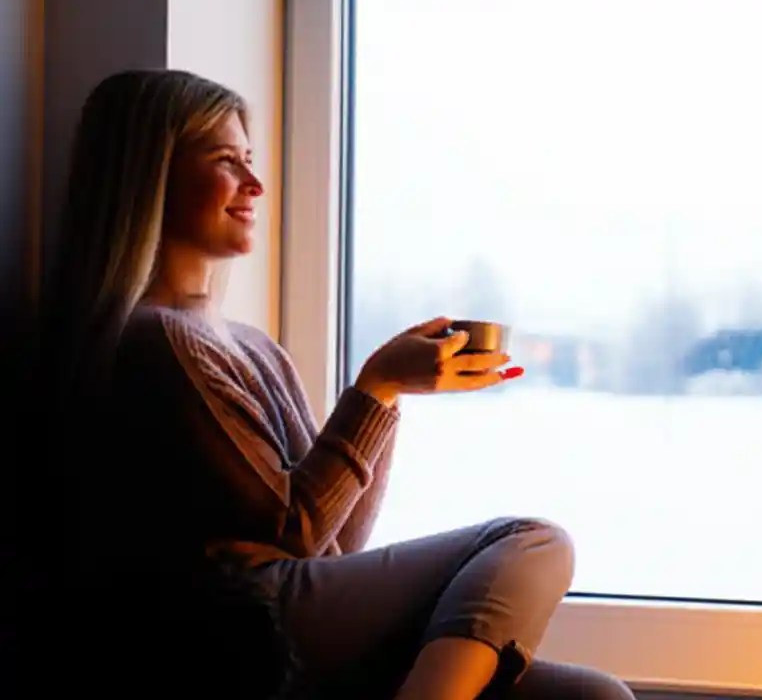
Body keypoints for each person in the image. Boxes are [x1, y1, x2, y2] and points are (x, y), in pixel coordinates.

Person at [35, 68, 633, 700]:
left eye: (250, 159)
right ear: (150, 174)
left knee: (595, 696)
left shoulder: (251, 346)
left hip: (294, 602)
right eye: (226, 161)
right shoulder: (156, 339)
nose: (255, 184)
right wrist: (373, 388)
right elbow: (293, 531)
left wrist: (392, 397)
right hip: (240, 622)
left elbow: (333, 542)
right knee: (532, 542)